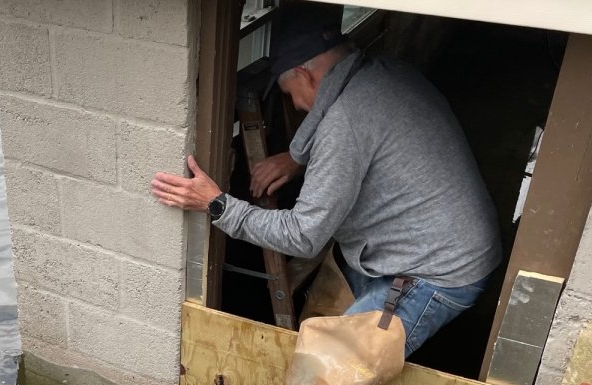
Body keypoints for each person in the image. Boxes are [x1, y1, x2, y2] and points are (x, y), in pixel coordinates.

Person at [151, 4, 501, 357]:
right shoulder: (385, 72)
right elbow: (369, 141)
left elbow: (304, 236)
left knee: (324, 374)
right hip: (435, 239)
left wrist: (217, 205)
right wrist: (297, 158)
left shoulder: (344, 123)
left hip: (436, 272)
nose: (297, 106)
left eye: (290, 94)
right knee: (319, 314)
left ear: (305, 74)